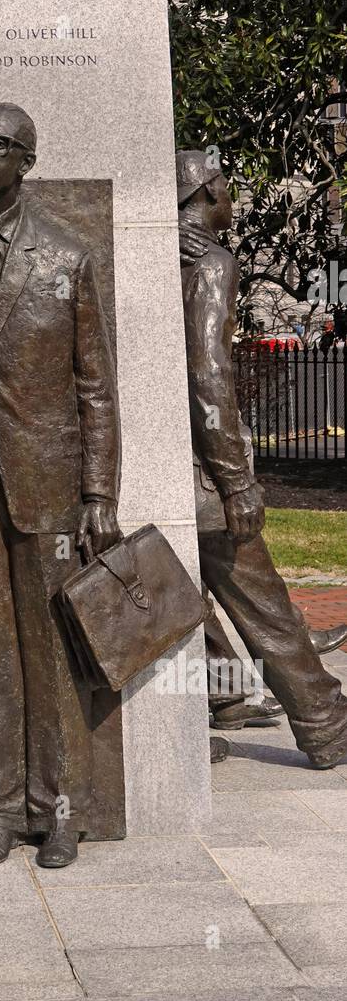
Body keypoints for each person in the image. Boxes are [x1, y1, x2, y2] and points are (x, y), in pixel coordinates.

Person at [0, 103, 121, 869]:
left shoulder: (67, 259)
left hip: (47, 486)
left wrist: (99, 496)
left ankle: (64, 809)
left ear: (27, 162)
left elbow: (96, 389)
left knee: (52, 655)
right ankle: (1, 810)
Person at [177, 149, 347, 769]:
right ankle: (324, 722)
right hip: (202, 471)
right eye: (225, 186)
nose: (232, 198)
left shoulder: (164, 254)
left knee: (189, 587)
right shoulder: (212, 263)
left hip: (153, 464)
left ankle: (222, 695)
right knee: (261, 598)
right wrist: (235, 478)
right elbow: (209, 373)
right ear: (205, 193)